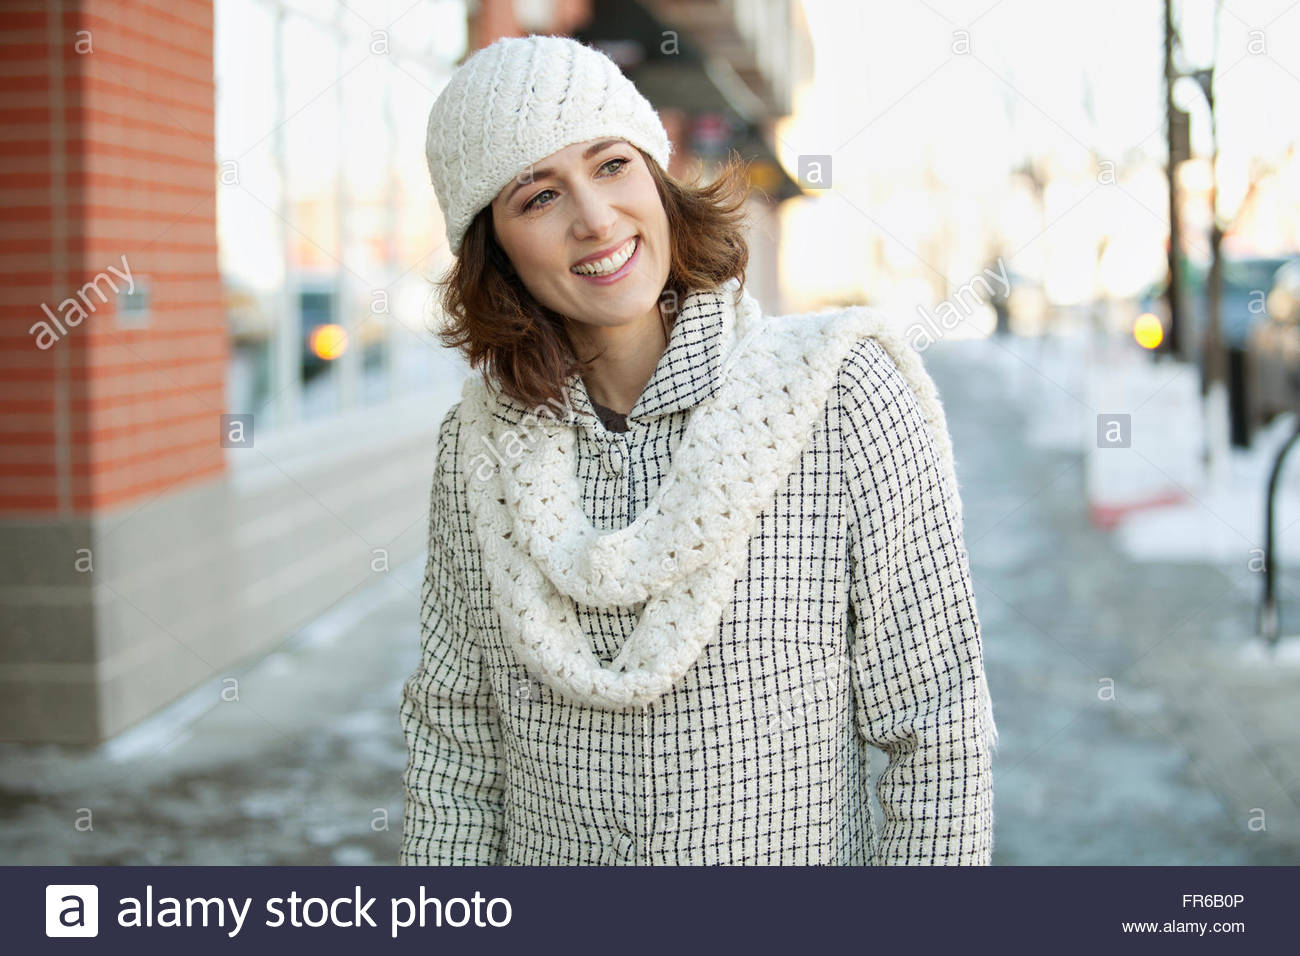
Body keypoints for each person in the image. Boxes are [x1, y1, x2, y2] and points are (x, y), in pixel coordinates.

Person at [400, 33, 998, 866]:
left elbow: (935, 729)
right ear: (494, 251)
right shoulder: (477, 449)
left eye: (612, 165)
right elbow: (455, 747)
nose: (595, 218)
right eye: (538, 197)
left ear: (657, 175)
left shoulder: (838, 392)